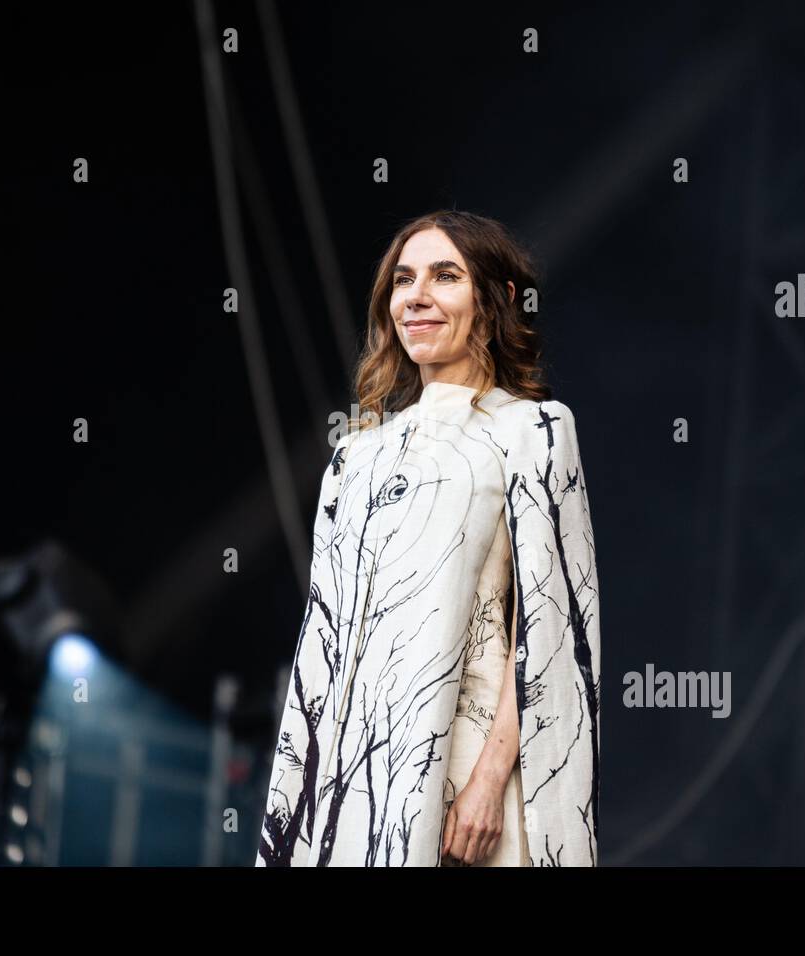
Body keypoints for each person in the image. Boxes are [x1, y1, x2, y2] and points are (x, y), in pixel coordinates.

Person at [256, 210, 601, 867]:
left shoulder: (533, 430)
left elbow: (550, 629)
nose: (416, 295)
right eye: (402, 279)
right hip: (354, 774)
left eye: (445, 276)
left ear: (497, 298)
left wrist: (490, 782)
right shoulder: (354, 460)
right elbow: (321, 649)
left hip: (470, 766)